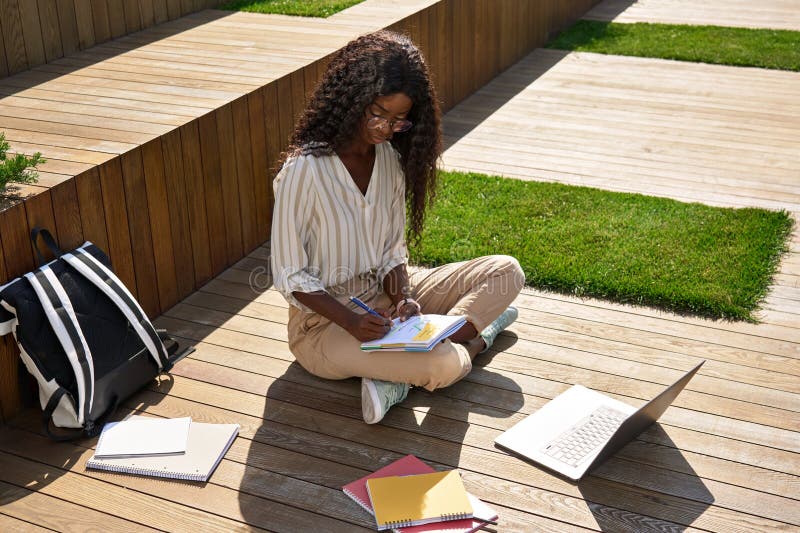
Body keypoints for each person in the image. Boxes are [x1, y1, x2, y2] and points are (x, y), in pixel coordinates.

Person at [270, 30, 524, 424]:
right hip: (324, 327)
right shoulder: (304, 170)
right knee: (443, 365)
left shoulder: (387, 160)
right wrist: (352, 321)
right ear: (352, 99)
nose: (386, 129)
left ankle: (405, 366)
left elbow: (392, 252)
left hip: (387, 310)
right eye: (378, 114)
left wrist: (404, 297)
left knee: (507, 272)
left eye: (399, 120)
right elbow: (289, 274)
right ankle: (475, 340)